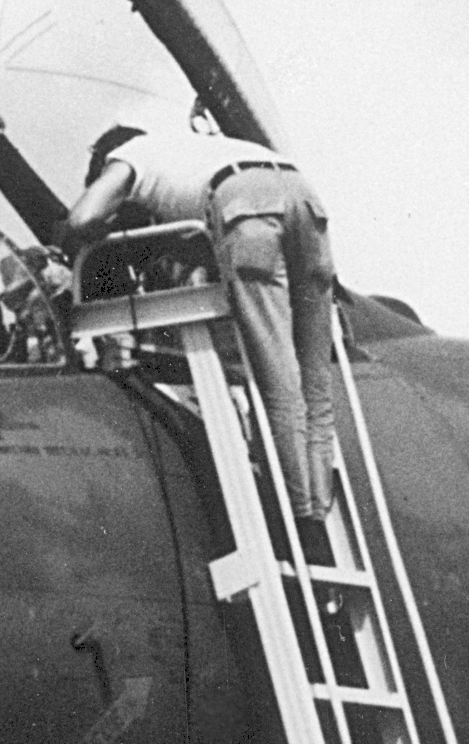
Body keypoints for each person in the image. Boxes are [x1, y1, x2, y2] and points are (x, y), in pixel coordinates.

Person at [66, 116, 349, 515]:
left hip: (243, 204)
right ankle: (320, 504)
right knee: (313, 380)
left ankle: (303, 513)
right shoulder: (189, 151)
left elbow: (83, 219)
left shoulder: (127, 157)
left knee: (275, 371)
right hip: (302, 194)